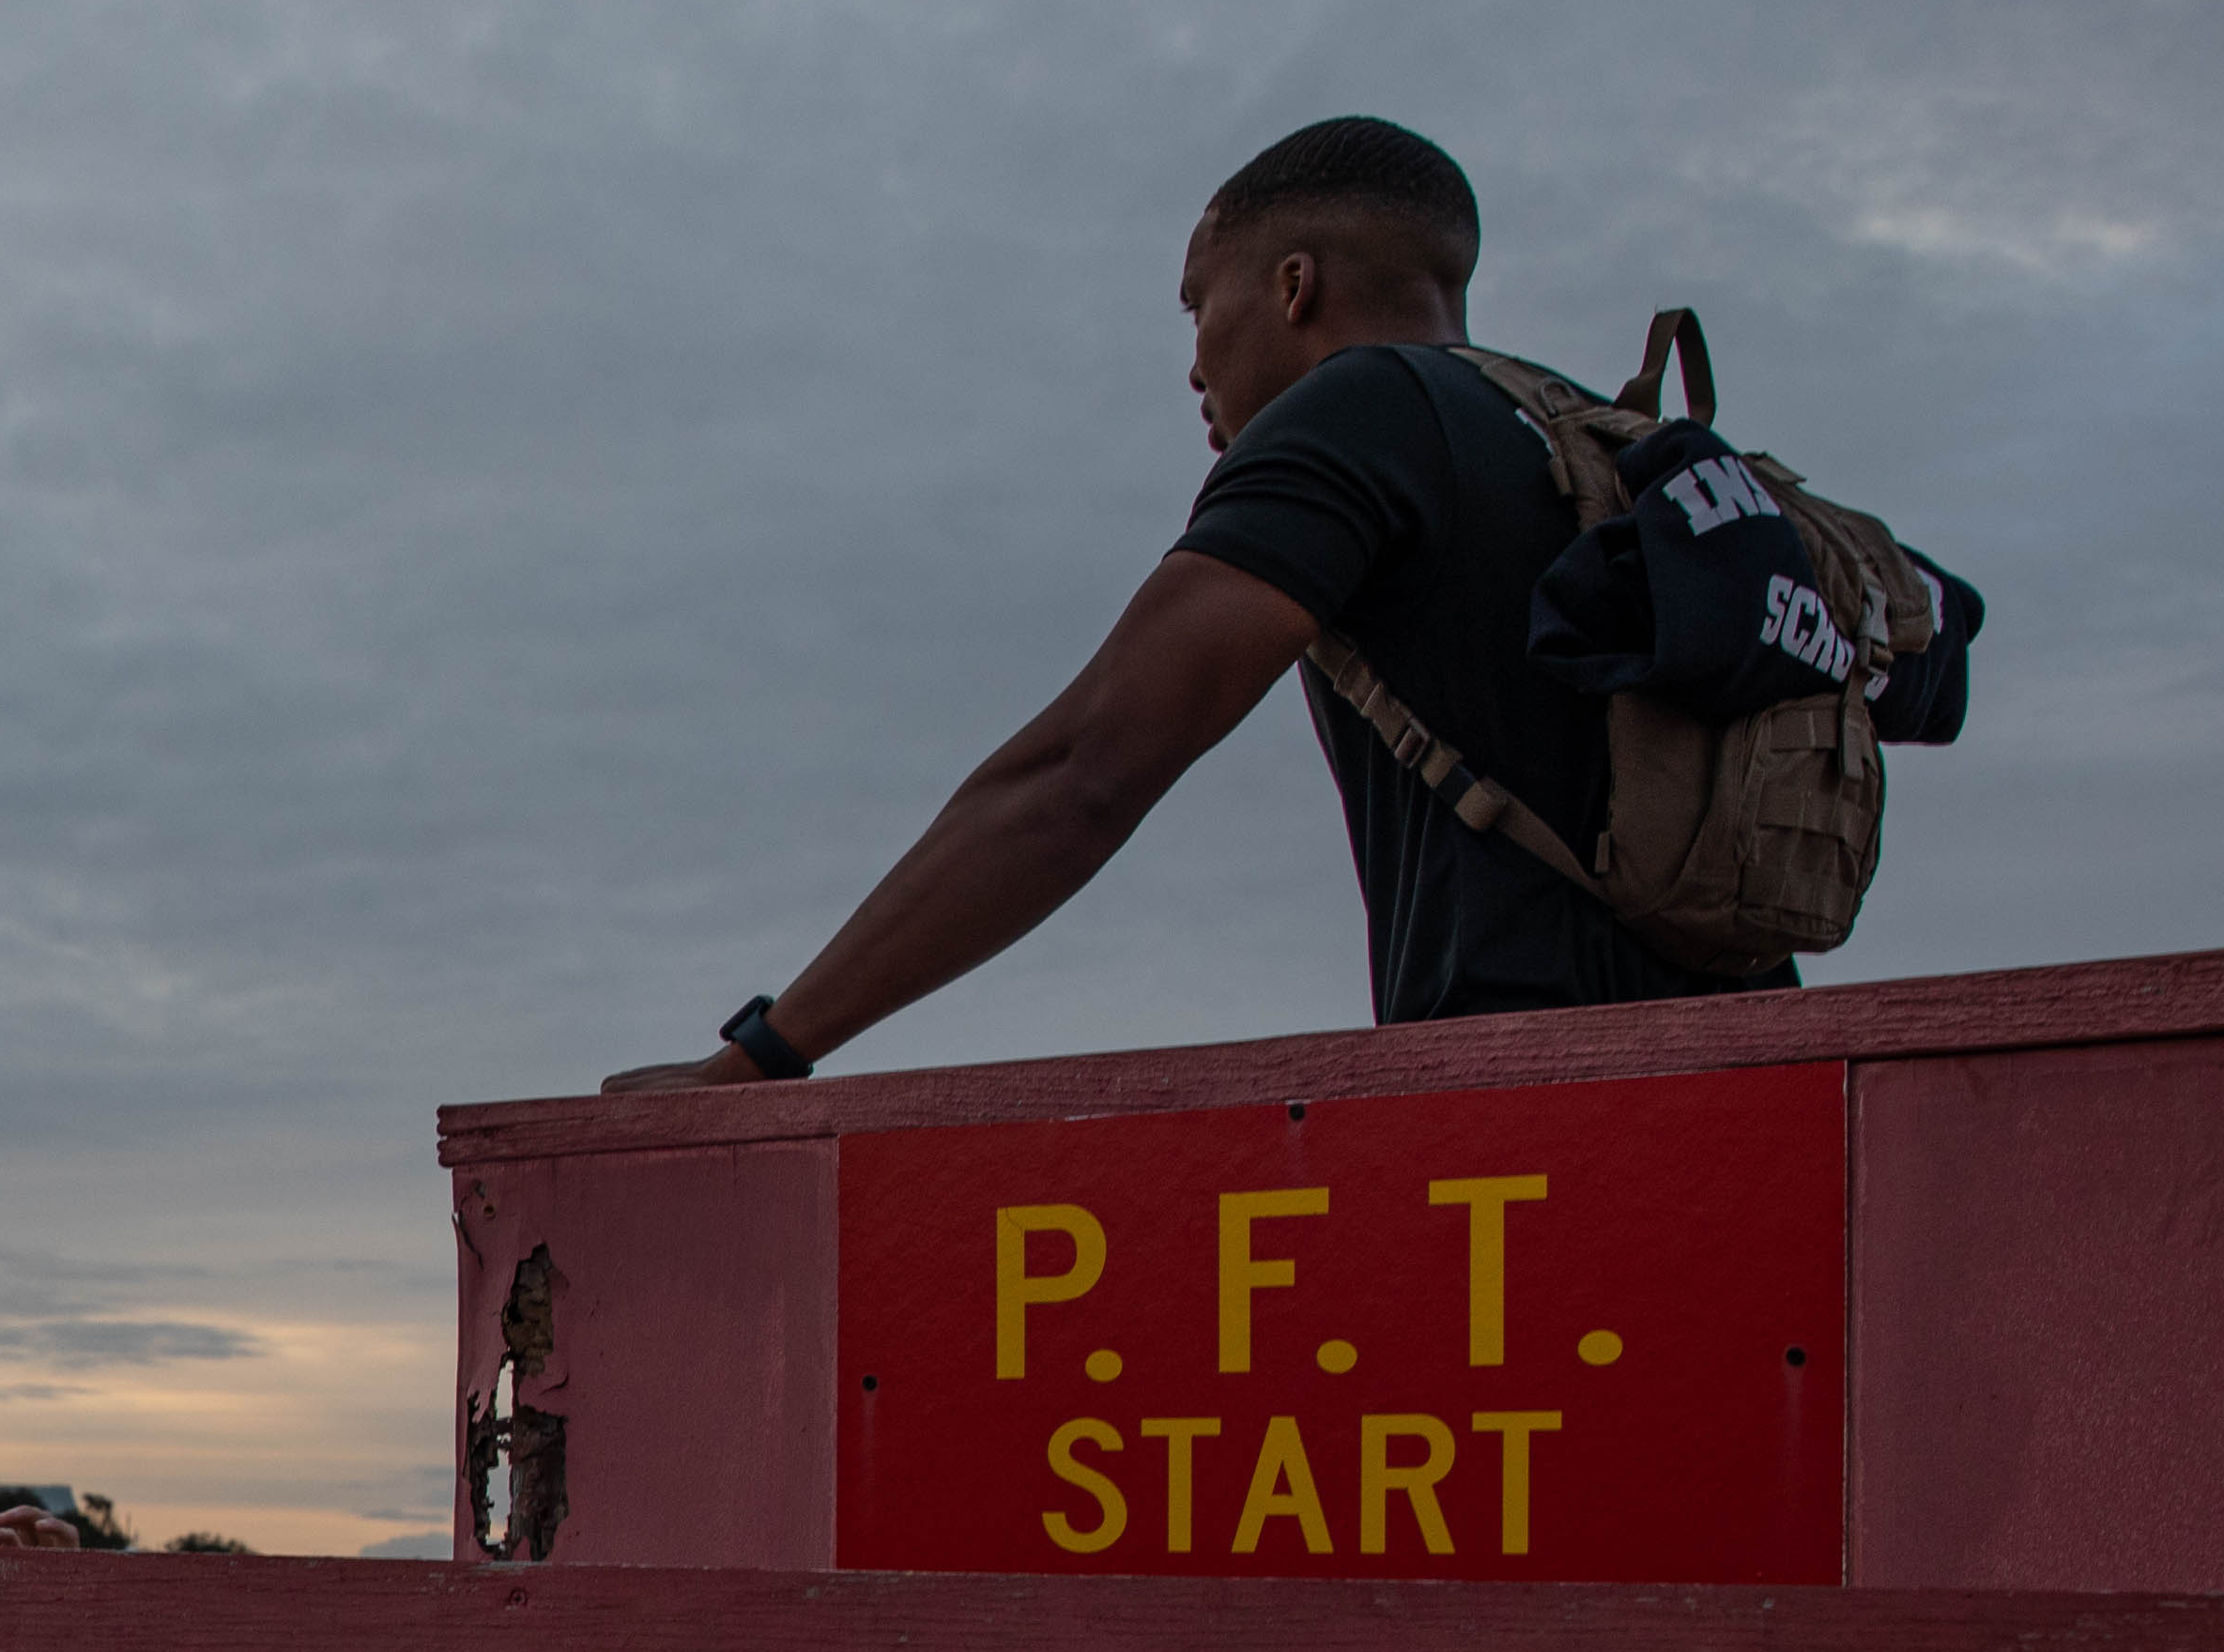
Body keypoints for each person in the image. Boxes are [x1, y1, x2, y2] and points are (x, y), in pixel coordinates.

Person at [621, 117, 1782, 1094]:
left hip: (1530, 1105)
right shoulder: (1594, 446)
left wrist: (766, 1054)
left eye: (1195, 307)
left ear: (1292, 286)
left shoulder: (1360, 410)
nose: (1192, 364)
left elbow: (1083, 774)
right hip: (1762, 1081)